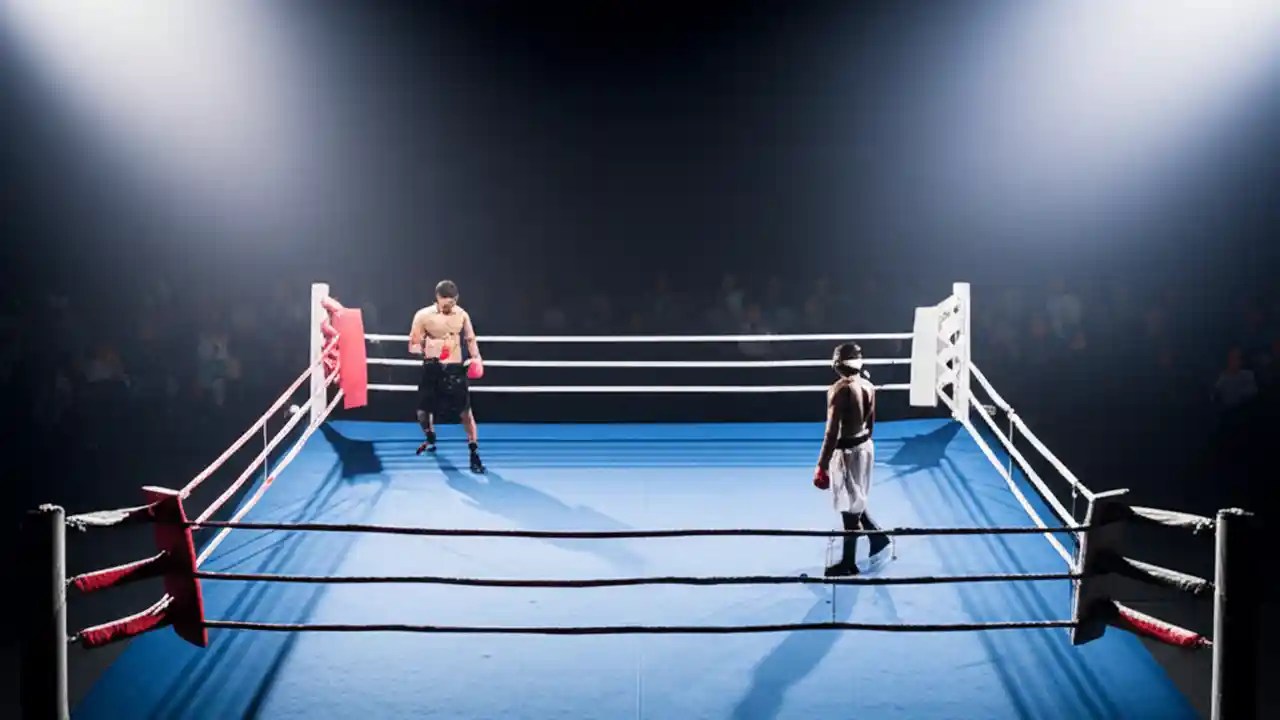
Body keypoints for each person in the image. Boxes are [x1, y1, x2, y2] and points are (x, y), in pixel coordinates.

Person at [813, 341, 890, 576]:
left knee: (848, 507)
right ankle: (877, 537)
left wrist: (822, 465)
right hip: (866, 446)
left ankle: (848, 563)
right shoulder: (868, 385)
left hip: (848, 451)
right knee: (856, 498)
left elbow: (832, 431)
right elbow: (871, 423)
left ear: (837, 364)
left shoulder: (839, 389)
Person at [409, 279, 485, 473]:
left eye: (451, 303)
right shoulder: (423, 316)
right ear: (437, 298)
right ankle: (430, 436)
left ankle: (474, 452)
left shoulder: (462, 315)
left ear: (456, 299)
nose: (448, 308)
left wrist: (476, 357)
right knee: (423, 411)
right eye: (445, 304)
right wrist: (428, 350)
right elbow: (412, 345)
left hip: (454, 369)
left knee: (466, 412)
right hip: (432, 368)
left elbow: (470, 338)